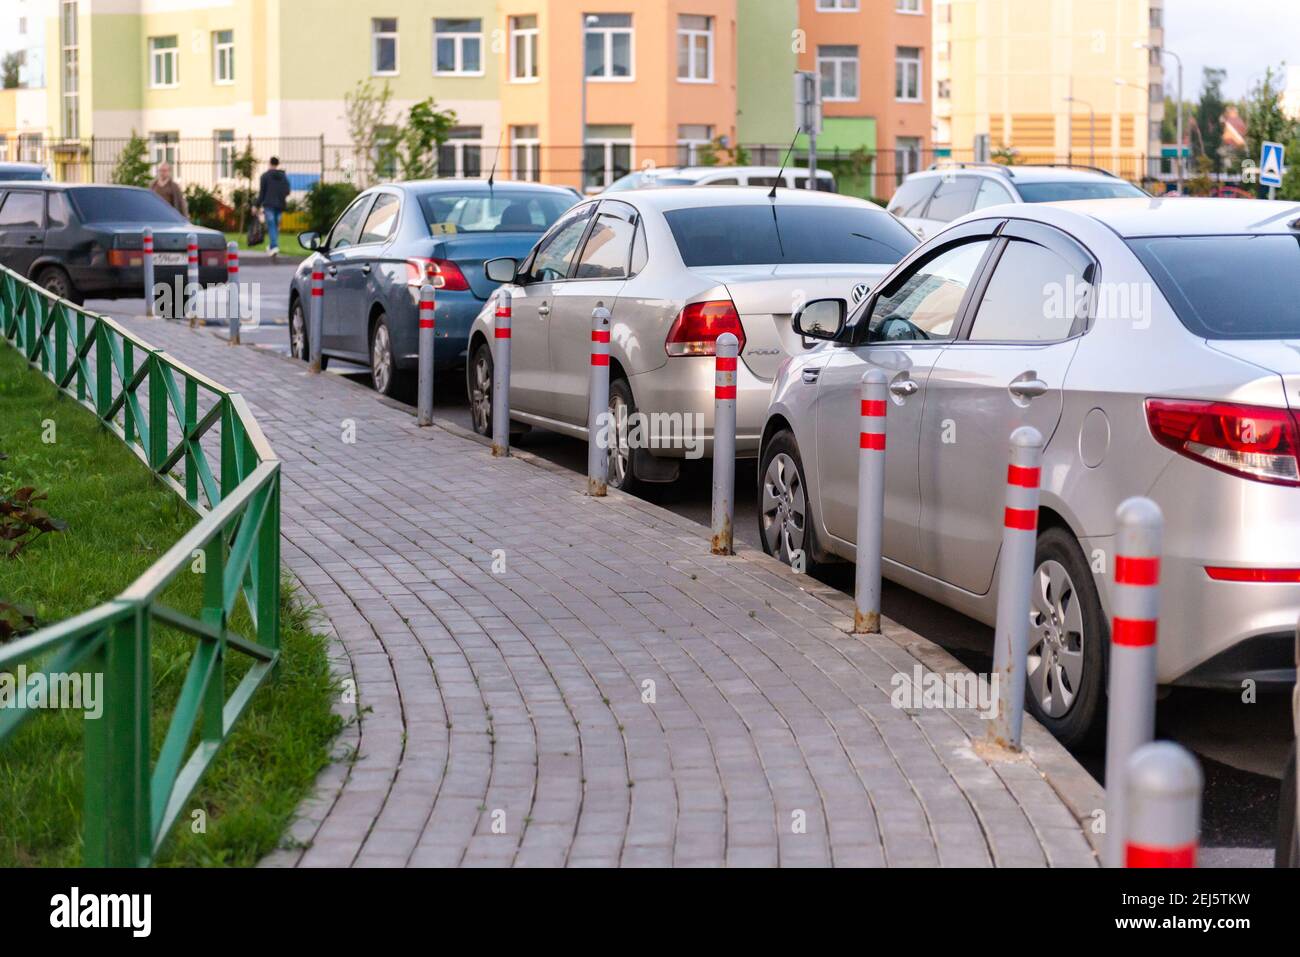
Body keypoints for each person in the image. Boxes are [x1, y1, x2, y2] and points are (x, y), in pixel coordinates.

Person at [255, 156, 291, 260]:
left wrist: (257, 205)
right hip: (280, 204)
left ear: (269, 163)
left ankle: (274, 246)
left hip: (269, 204)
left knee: (271, 225)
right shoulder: (283, 177)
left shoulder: (265, 176)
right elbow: (287, 191)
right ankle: (272, 246)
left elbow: (262, 193)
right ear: (278, 164)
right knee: (275, 226)